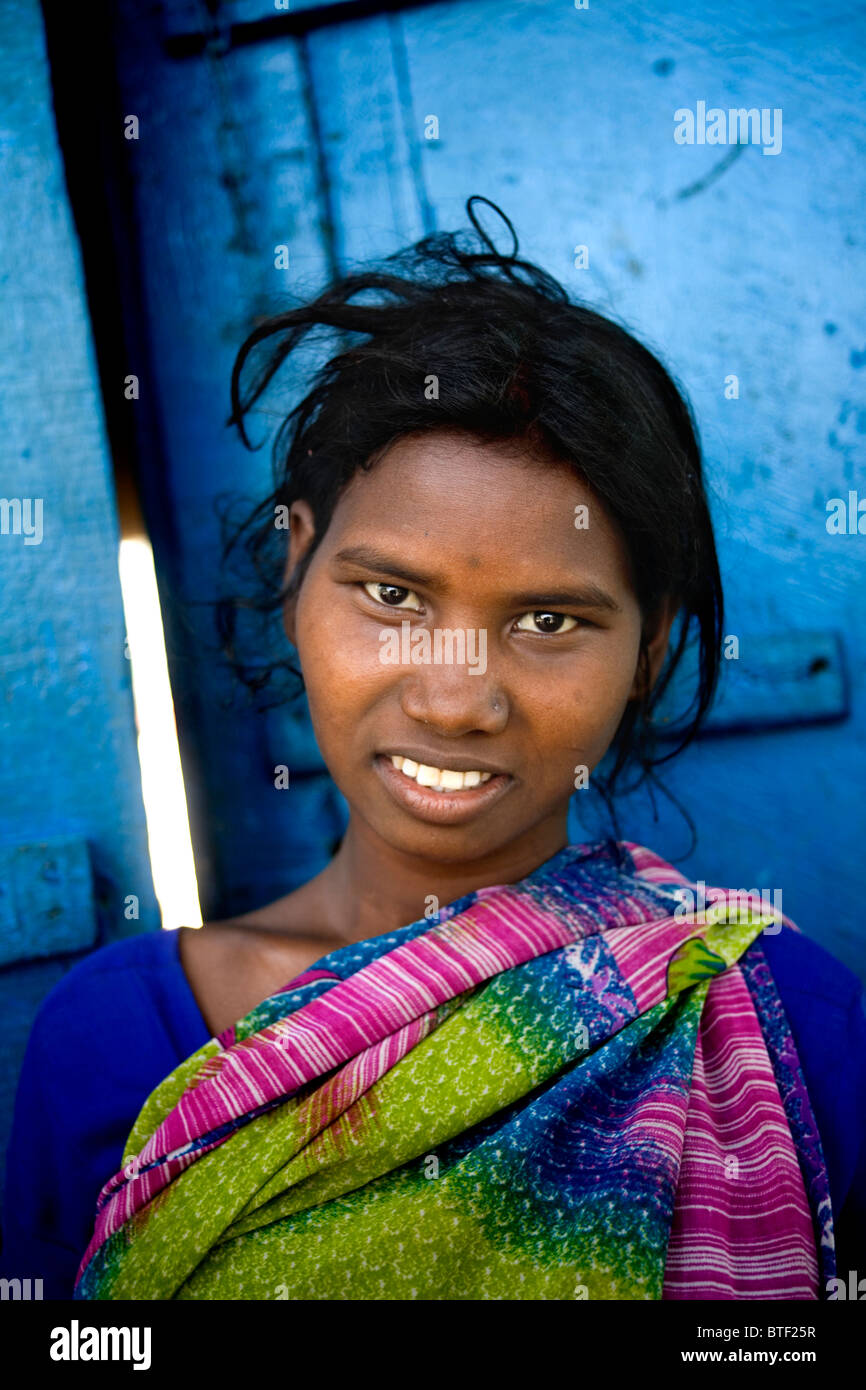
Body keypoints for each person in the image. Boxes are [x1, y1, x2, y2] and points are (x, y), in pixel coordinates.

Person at [3, 199, 864, 1300]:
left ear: (647, 649)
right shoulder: (111, 1038)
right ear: (296, 569)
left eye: (547, 620)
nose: (456, 701)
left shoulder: (782, 1028)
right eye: (393, 597)